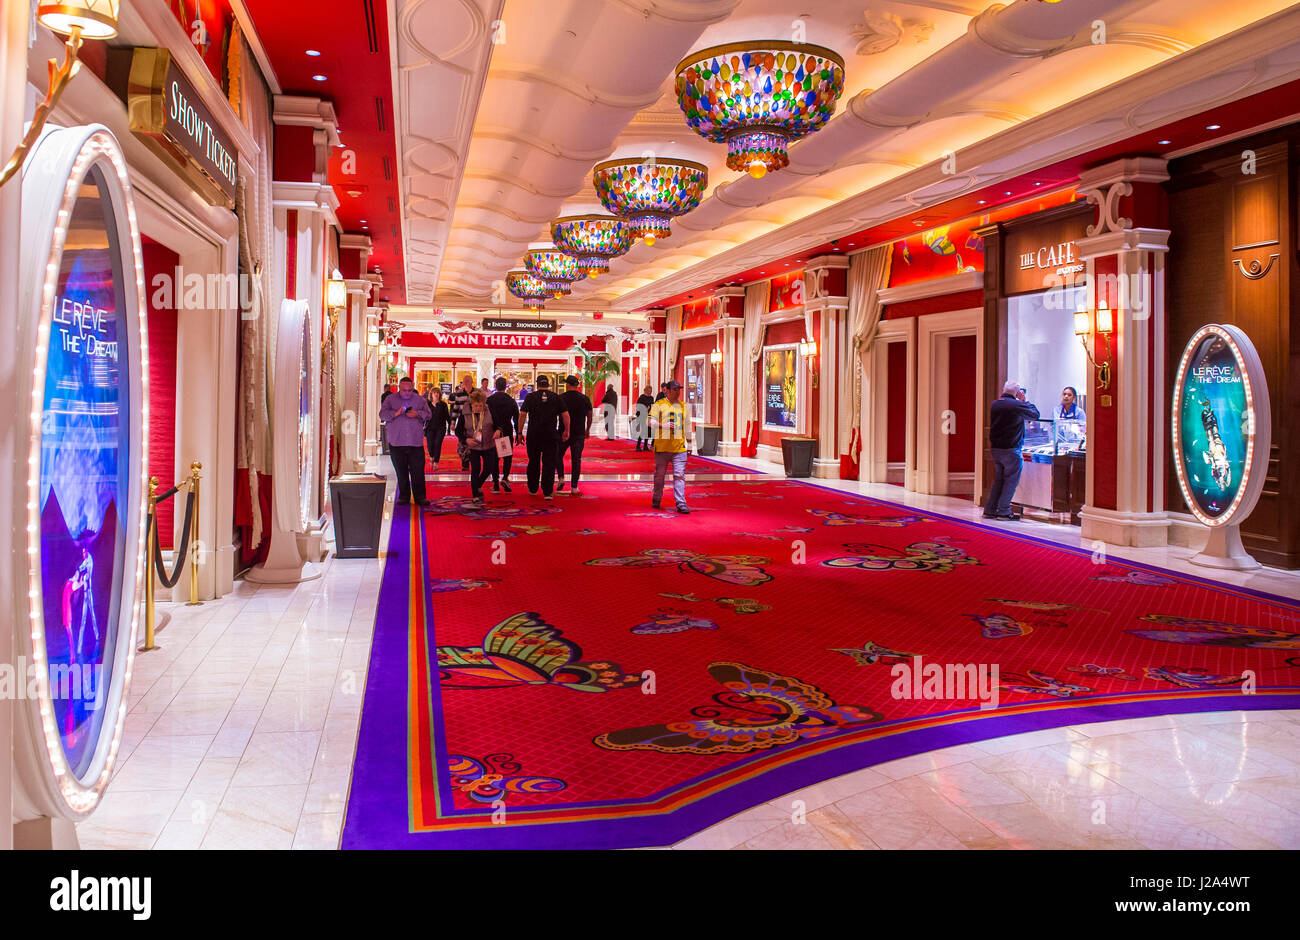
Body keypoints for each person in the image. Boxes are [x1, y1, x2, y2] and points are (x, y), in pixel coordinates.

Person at [984, 380, 1039, 521]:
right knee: (1010, 481)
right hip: (1011, 448)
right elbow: (1035, 415)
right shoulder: (1016, 405)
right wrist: (1025, 400)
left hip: (996, 448)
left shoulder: (995, 404)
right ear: (1017, 392)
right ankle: (1003, 511)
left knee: (999, 480)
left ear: (1003, 389)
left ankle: (990, 509)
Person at [379, 376, 433, 505]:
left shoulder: (420, 400)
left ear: (413, 387)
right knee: (401, 472)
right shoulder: (390, 399)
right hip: (397, 443)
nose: (407, 393)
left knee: (418, 471)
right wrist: (396, 413)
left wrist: (418, 414)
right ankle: (404, 496)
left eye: (409, 390)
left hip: (415, 443)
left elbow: (429, 414)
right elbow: (382, 414)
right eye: (404, 390)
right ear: (399, 388)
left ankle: (420, 497)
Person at [519, 375, 569, 500]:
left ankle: (533, 488)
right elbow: (565, 415)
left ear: (537, 384)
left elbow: (522, 415)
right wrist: (567, 430)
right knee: (549, 462)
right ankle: (547, 492)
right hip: (551, 435)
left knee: (533, 461)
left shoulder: (531, 397)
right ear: (548, 384)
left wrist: (519, 432)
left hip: (534, 434)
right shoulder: (556, 397)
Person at [649, 379, 692, 514]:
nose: (677, 392)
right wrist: (664, 425)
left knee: (679, 475)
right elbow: (650, 422)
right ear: (667, 390)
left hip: (679, 448)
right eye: (675, 389)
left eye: (679, 389)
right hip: (662, 447)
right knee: (659, 476)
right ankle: (656, 499)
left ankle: (681, 503)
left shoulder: (684, 406)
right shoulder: (659, 405)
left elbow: (688, 426)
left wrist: (690, 444)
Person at [464, 388, 501, 505]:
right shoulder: (465, 413)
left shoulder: (490, 410)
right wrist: (466, 439)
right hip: (473, 446)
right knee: (475, 469)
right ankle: (475, 494)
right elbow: (460, 430)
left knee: (488, 468)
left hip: (488, 444)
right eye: (475, 406)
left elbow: (498, 424)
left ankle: (478, 485)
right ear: (471, 404)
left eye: (480, 406)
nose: (478, 408)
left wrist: (498, 431)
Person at [557, 375, 593, 495]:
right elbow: (589, 414)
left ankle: (561, 477)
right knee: (576, 459)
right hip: (579, 432)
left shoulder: (561, 398)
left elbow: (555, 414)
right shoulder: (584, 398)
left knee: (558, 455)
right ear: (577, 385)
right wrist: (588, 428)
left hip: (563, 432)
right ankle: (574, 487)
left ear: (567, 385)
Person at [486, 377, 520, 492]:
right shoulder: (510, 400)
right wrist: (518, 432)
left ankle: (495, 483)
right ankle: (505, 477)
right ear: (505, 386)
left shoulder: (490, 400)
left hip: (493, 432)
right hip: (506, 430)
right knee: (507, 456)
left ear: (495, 386)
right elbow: (516, 418)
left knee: (494, 458)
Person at [424, 386, 451, 470]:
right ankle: (431, 456)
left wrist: (452, 424)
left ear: (439, 394)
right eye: (434, 393)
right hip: (429, 428)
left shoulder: (443, 405)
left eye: (437, 393)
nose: (436, 394)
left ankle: (436, 462)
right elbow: (423, 416)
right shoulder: (427, 404)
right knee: (430, 444)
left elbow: (447, 416)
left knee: (437, 444)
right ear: (431, 394)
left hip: (440, 428)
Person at [450, 375, 473, 471]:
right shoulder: (459, 394)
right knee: (463, 441)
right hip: (462, 421)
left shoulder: (476, 393)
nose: (466, 384)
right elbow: (455, 409)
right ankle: (465, 461)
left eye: (468, 382)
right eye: (465, 382)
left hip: (474, 420)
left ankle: (472, 458)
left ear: (471, 382)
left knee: (474, 440)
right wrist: (453, 423)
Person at [634, 386, 654, 451]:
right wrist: (645, 408)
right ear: (645, 390)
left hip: (649, 416)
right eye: (649, 390)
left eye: (651, 390)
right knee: (643, 431)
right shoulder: (641, 398)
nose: (650, 392)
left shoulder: (651, 398)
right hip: (642, 416)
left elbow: (652, 406)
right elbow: (638, 407)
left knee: (648, 431)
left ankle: (645, 445)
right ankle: (638, 446)